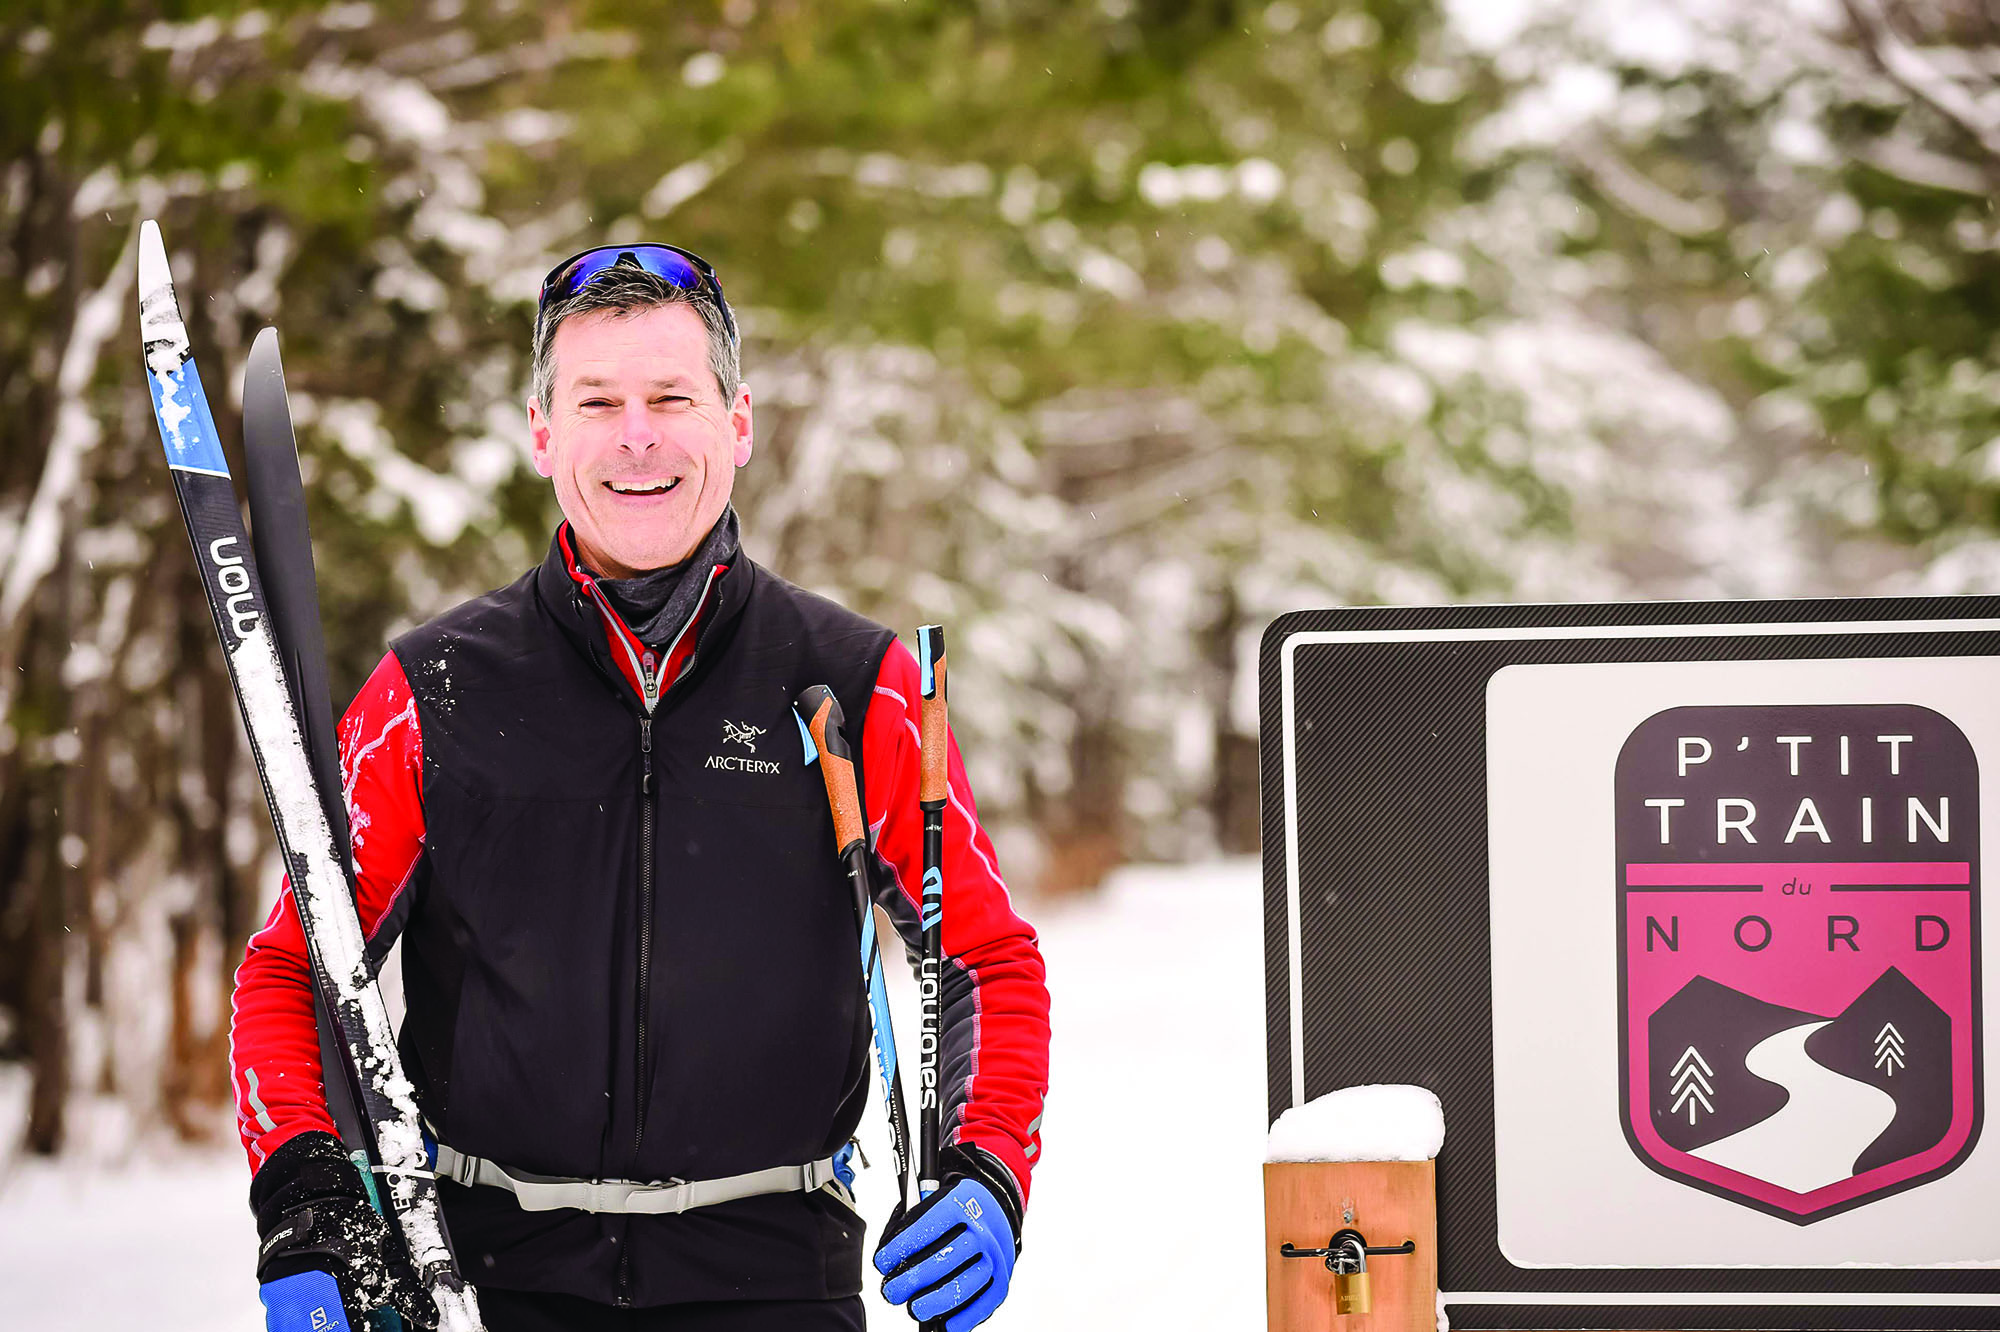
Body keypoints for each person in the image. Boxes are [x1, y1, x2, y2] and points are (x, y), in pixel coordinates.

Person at [228, 244, 1052, 1332]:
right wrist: (306, 1188)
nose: (636, 436)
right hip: (485, 1286)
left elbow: (982, 956)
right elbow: (294, 967)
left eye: (671, 396)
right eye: (597, 400)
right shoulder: (432, 692)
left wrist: (986, 1167)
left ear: (737, 421)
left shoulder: (851, 684)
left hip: (777, 1286)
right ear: (541, 432)